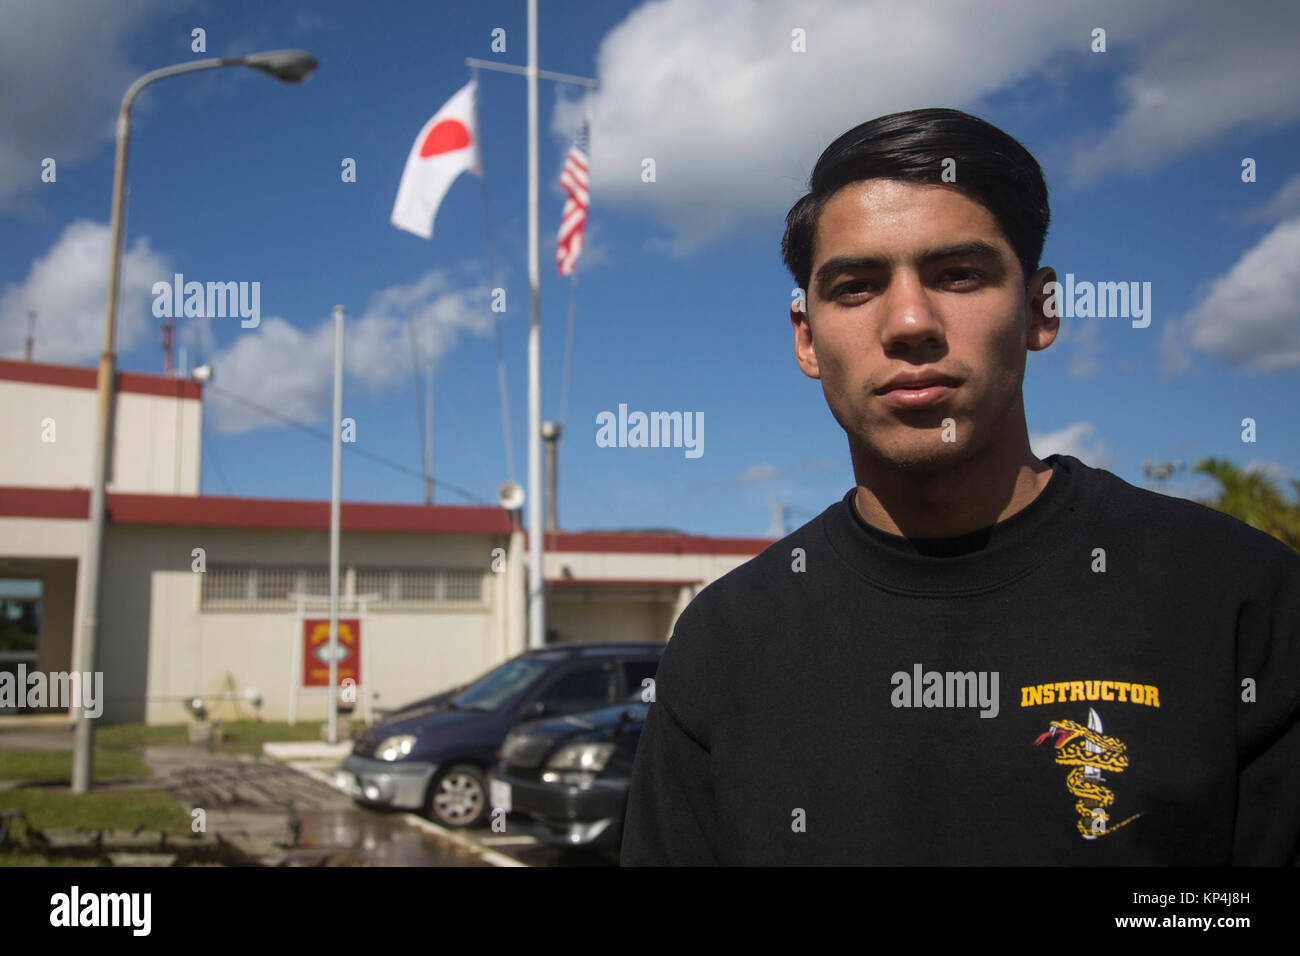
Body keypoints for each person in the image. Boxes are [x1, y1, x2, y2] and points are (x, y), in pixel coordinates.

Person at [620, 107, 1300, 865]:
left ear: (1041, 309)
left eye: (958, 275)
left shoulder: (1242, 599)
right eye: (856, 286)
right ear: (806, 339)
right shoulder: (724, 643)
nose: (910, 321)